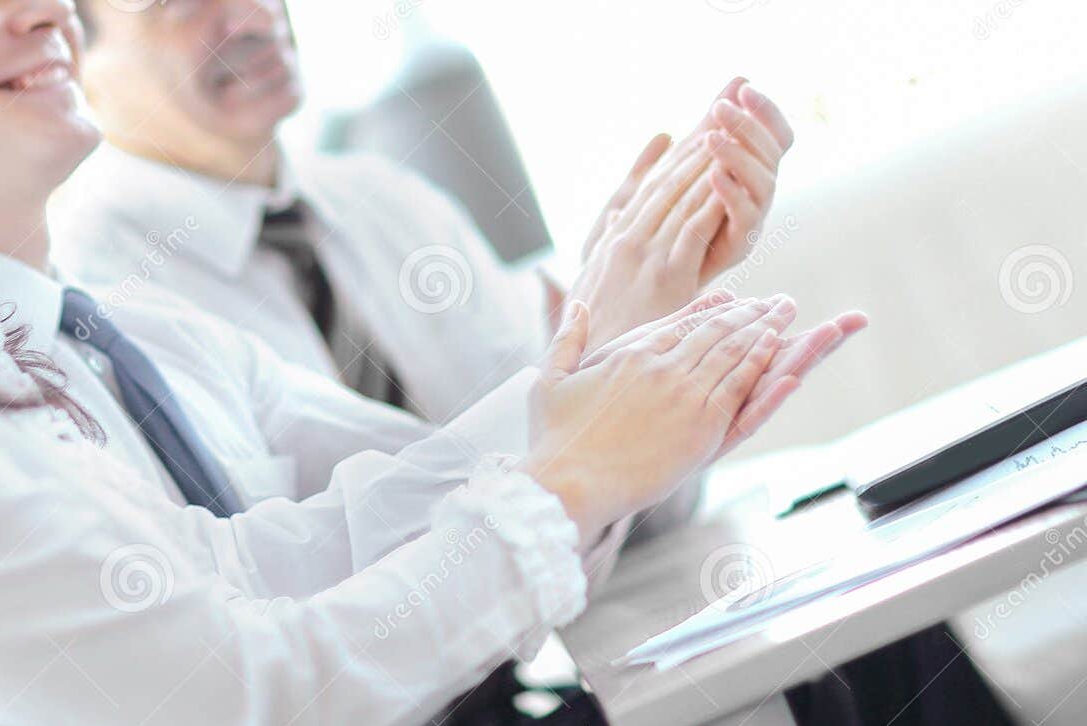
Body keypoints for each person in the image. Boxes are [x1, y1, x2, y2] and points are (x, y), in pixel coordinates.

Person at [0, 0, 1064, 726]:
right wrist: (566, 471)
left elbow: (270, 556)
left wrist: (597, 386)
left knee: (841, 690)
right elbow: (252, 709)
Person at [53, 0, 844, 423]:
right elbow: (341, 567)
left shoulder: (386, 204)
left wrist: (638, 308)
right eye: (180, 1)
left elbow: (625, 515)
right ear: (69, 56)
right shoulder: (102, 296)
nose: (253, 16)